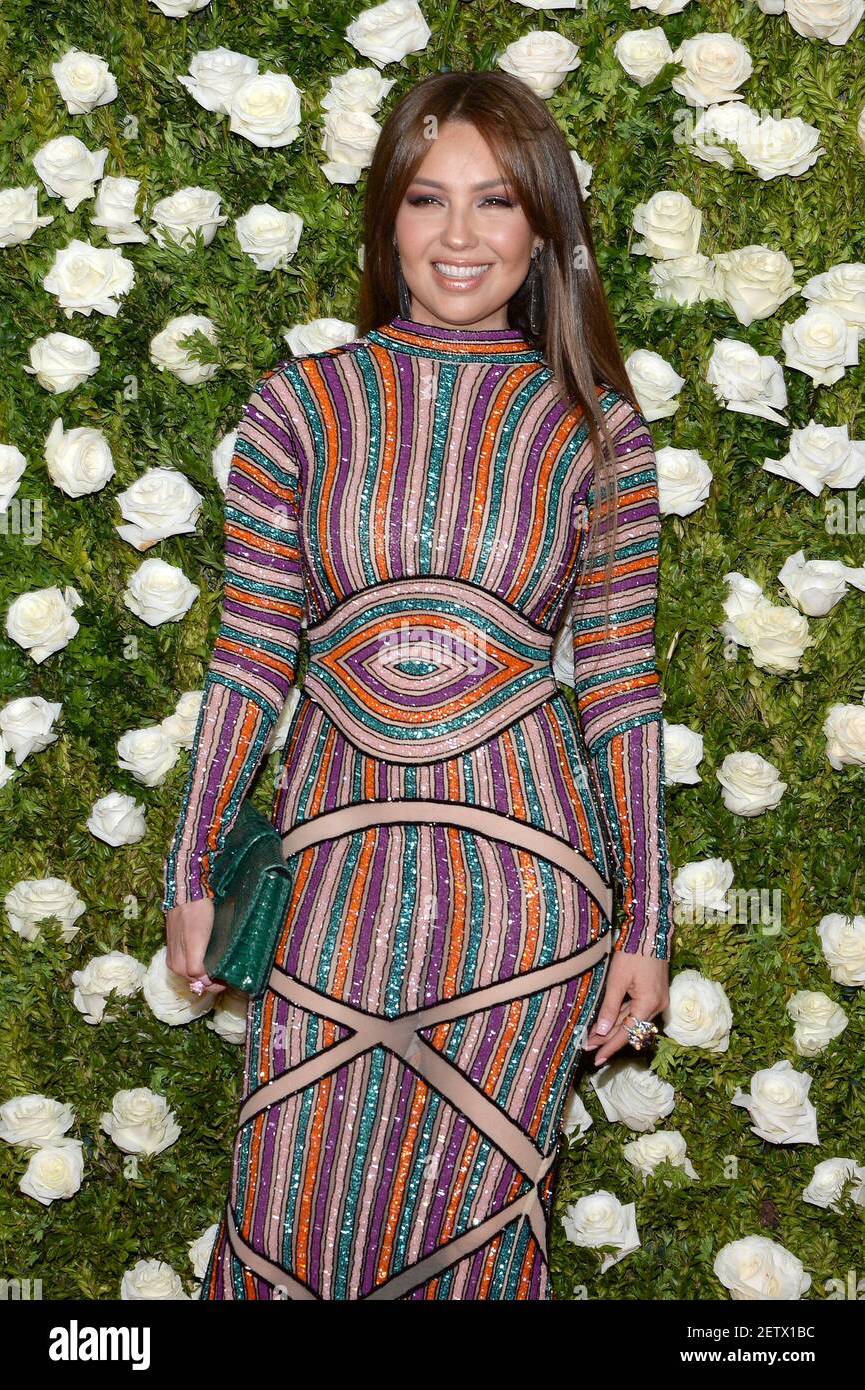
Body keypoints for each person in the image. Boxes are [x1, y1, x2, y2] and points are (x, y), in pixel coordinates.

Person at [163, 69, 674, 1301]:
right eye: (427, 199)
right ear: (386, 219)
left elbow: (615, 688)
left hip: (524, 900)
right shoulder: (299, 408)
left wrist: (646, 927)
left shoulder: (601, 432)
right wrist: (188, 871)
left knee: (477, 1241)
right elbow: (247, 655)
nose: (459, 237)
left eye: (494, 201)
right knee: (290, 1219)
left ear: (542, 225)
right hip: (332, 876)